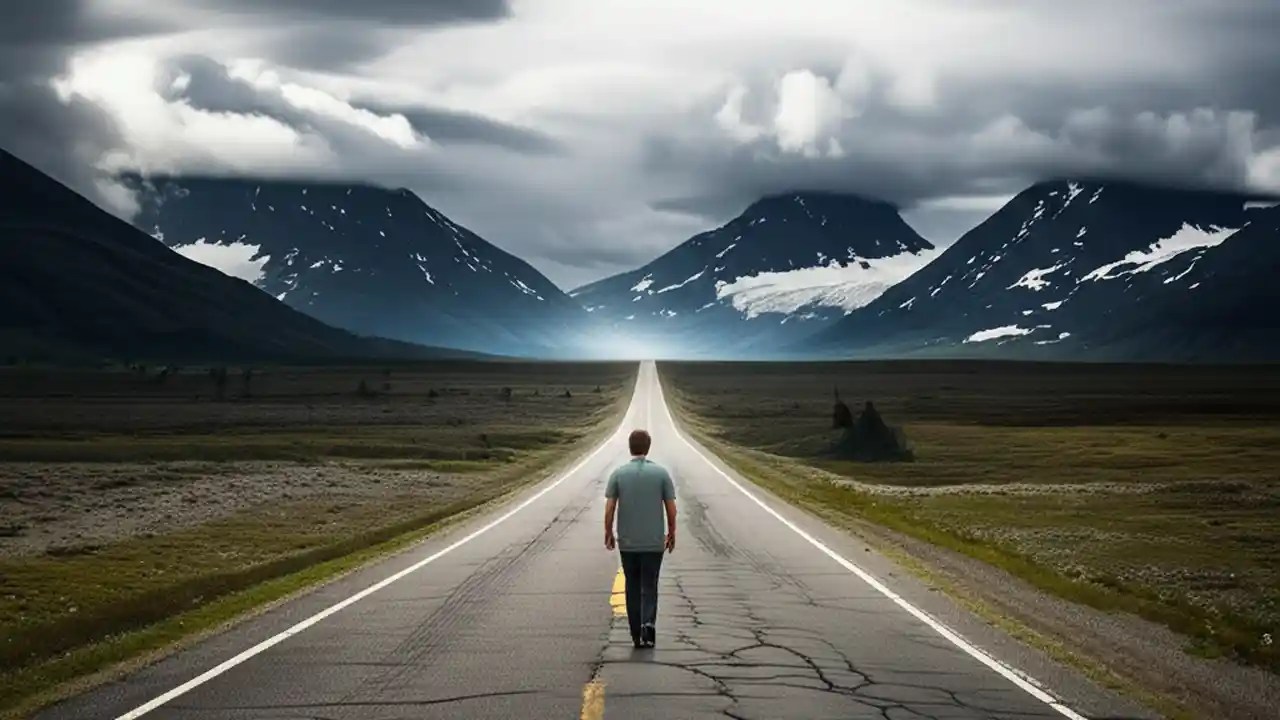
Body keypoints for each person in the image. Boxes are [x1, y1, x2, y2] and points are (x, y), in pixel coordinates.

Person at [604, 429, 676, 649]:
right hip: (654, 542)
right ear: (648, 447)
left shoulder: (618, 474)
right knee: (650, 585)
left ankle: (635, 632)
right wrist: (672, 532)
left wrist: (608, 531)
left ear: (630, 447)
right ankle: (648, 624)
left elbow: (610, 507)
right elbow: (671, 508)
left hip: (628, 542)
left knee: (632, 585)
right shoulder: (662, 474)